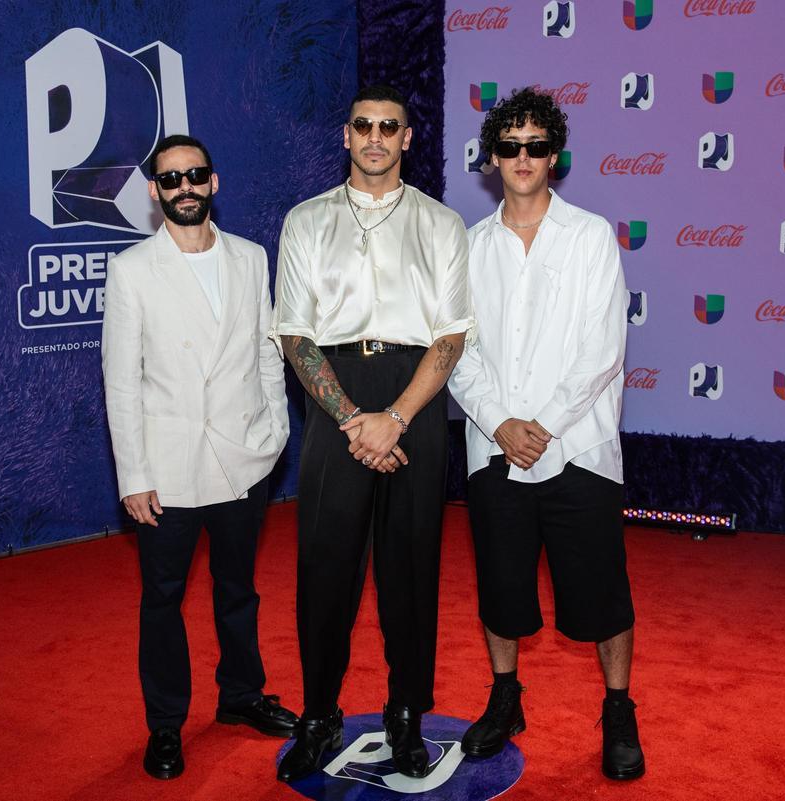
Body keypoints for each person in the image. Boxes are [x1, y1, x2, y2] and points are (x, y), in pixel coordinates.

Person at [270, 85, 472, 782]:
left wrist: (398, 417)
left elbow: (450, 335)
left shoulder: (443, 224)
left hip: (414, 399)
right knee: (325, 569)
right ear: (346, 135)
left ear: (409, 139)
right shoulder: (305, 221)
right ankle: (320, 712)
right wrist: (354, 418)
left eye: (391, 127)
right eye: (364, 126)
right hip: (336, 407)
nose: (377, 137)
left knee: (412, 571)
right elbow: (293, 333)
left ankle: (406, 712)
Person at [447, 88, 646, 781]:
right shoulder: (467, 248)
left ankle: (619, 708)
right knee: (501, 589)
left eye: (536, 145)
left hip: (580, 447)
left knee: (602, 596)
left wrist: (543, 426)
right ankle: (506, 697)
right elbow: (456, 350)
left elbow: (602, 349)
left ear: (554, 155)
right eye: (510, 145)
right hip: (491, 445)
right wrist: (500, 423)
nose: (523, 157)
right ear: (492, 157)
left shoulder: (590, 235)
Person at [102, 134, 297, 781]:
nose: (184, 186)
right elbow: (121, 381)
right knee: (163, 598)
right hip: (167, 468)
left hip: (241, 461)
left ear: (213, 182)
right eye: (170, 179)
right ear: (155, 191)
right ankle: (166, 725)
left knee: (238, 590)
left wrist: (271, 438)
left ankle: (241, 696)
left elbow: (270, 355)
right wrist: (133, 474)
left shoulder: (249, 257)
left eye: (195, 175)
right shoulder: (132, 269)